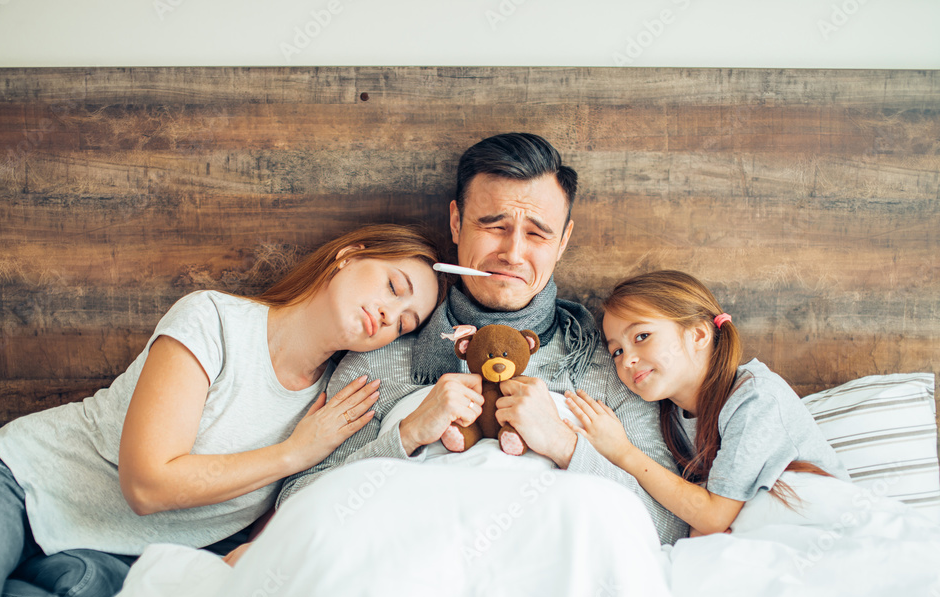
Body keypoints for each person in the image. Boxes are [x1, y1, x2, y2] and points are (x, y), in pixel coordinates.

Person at [0, 224, 442, 597]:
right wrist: (294, 452)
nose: (388, 317)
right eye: (393, 288)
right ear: (347, 256)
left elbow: (315, 499)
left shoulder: (331, 407)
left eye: (404, 322)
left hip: (106, 551)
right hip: (12, 481)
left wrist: (412, 431)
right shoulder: (214, 319)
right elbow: (148, 485)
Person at [221, 133, 690, 570]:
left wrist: (567, 447)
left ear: (562, 243)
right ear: (456, 223)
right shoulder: (383, 351)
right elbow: (300, 509)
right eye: (494, 225)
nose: (513, 252)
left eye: (538, 234)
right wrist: (404, 435)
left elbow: (670, 526)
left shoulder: (613, 365)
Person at [564, 270, 850, 536]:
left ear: (699, 334)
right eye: (616, 351)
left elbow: (714, 517)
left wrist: (622, 451)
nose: (627, 360)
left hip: (822, 526)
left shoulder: (756, 398)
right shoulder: (668, 413)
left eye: (642, 336)